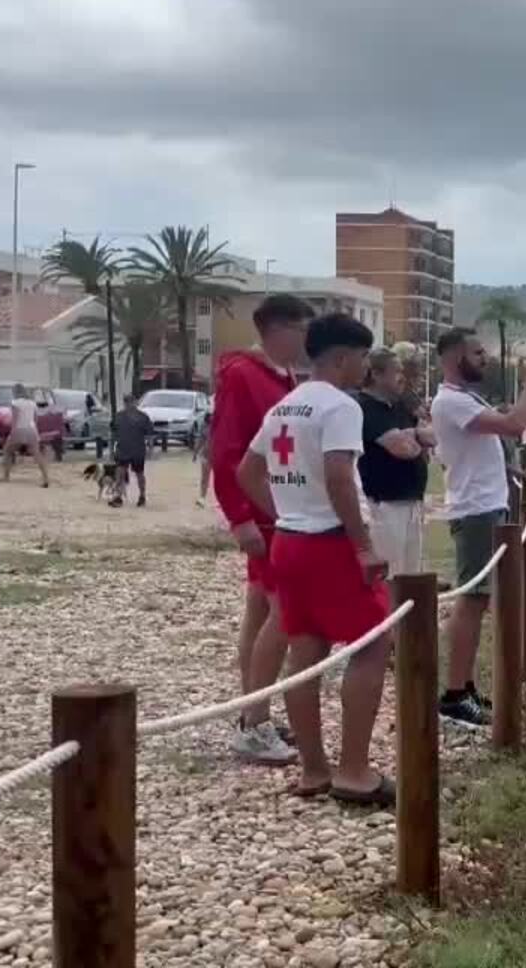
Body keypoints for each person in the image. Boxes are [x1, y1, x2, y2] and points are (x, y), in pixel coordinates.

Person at [237, 312, 394, 807]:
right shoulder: (341, 407)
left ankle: (313, 768)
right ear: (343, 357)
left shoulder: (286, 405)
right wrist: (364, 545)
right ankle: (353, 771)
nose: (366, 366)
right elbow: (339, 476)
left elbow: (248, 472)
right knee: (372, 644)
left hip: (289, 541)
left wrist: (285, 512)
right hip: (330, 543)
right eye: (364, 357)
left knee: (305, 652)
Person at [209, 293, 316, 765]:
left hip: (280, 509)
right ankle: (254, 724)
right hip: (266, 515)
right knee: (283, 615)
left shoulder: (285, 377)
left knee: (259, 614)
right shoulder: (242, 376)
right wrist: (240, 517)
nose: (307, 341)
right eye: (302, 331)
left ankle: (255, 712)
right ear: (281, 329)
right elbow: (228, 450)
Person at [430, 328, 526, 728]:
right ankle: (454, 695)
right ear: (452, 357)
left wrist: (508, 468)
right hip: (476, 510)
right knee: (472, 599)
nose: (485, 358)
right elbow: (515, 423)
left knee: (479, 601)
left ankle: (466, 686)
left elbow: (480, 447)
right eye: (477, 352)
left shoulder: (464, 400)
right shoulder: (450, 401)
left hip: (487, 505)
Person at [356, 348, 432, 578]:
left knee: (410, 578)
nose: (402, 376)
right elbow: (404, 449)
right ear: (376, 375)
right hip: (383, 507)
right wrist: (415, 437)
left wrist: (412, 436)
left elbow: (430, 438)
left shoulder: (399, 407)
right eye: (396, 371)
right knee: (389, 578)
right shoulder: (365, 407)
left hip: (412, 504)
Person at [0, 385, 50, 488]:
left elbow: (15, 418)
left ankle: (6, 476)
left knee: (7, 451)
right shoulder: (32, 403)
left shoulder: (15, 403)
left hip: (19, 429)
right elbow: (35, 419)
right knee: (37, 454)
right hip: (31, 430)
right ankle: (45, 478)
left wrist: (12, 432)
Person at [109, 394, 152, 507]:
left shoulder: (142, 417)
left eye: (130, 402)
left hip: (134, 450)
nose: (129, 404)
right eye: (127, 402)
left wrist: (150, 449)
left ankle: (141, 495)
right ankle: (119, 496)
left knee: (137, 474)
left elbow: (149, 435)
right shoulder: (119, 417)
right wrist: (111, 449)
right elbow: (113, 434)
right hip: (125, 449)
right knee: (121, 473)